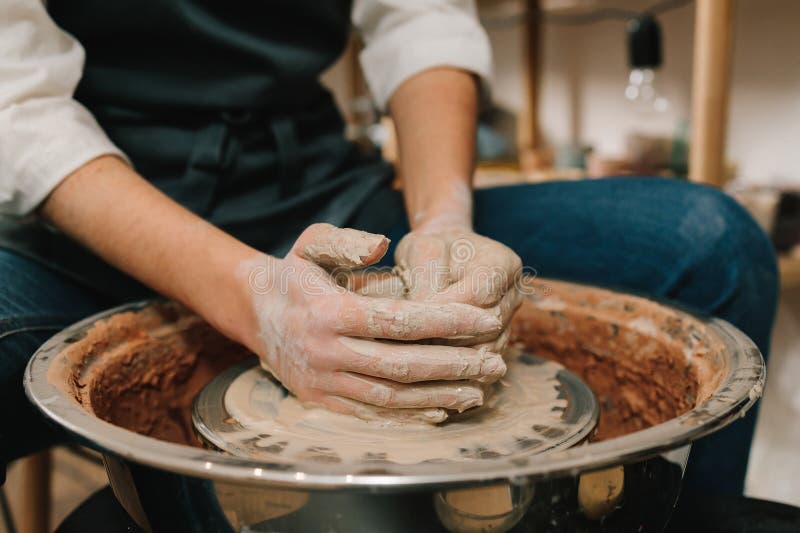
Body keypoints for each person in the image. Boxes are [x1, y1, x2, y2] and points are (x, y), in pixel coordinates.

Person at [0, 0, 777, 500]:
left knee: (711, 245)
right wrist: (251, 298)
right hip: (88, 209)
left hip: (315, 189)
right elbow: (18, 102)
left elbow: (419, 19)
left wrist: (443, 220)